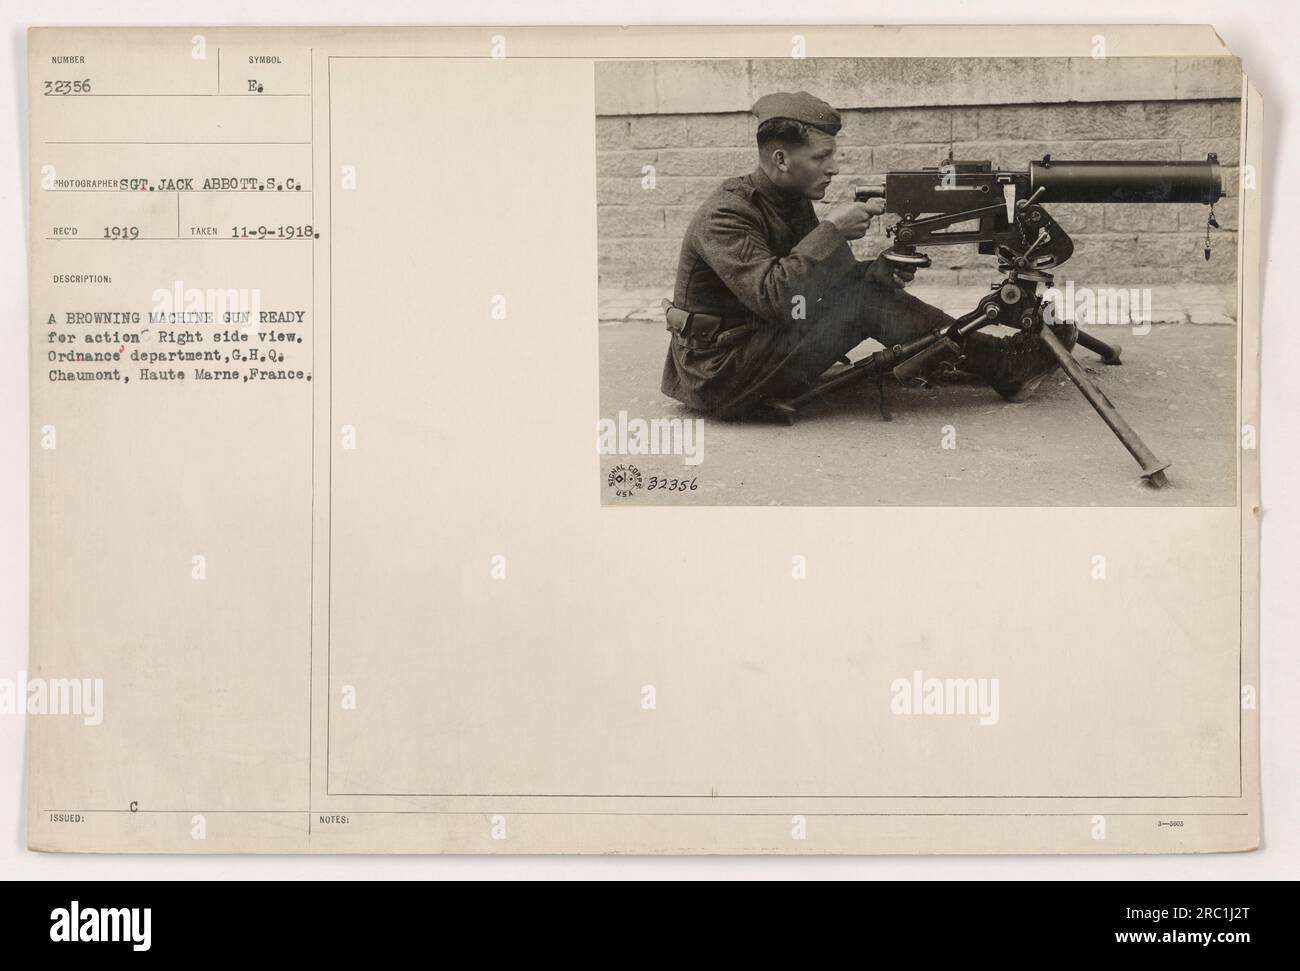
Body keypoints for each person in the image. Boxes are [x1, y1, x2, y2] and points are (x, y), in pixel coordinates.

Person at [660, 90, 1076, 419]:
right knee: (863, 301)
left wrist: (870, 270)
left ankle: (975, 357)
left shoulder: (786, 197)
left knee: (865, 288)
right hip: (720, 373)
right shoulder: (727, 213)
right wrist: (833, 232)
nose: (834, 168)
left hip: (752, 345)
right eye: (822, 157)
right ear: (781, 159)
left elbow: (808, 280)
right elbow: (773, 296)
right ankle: (1003, 365)